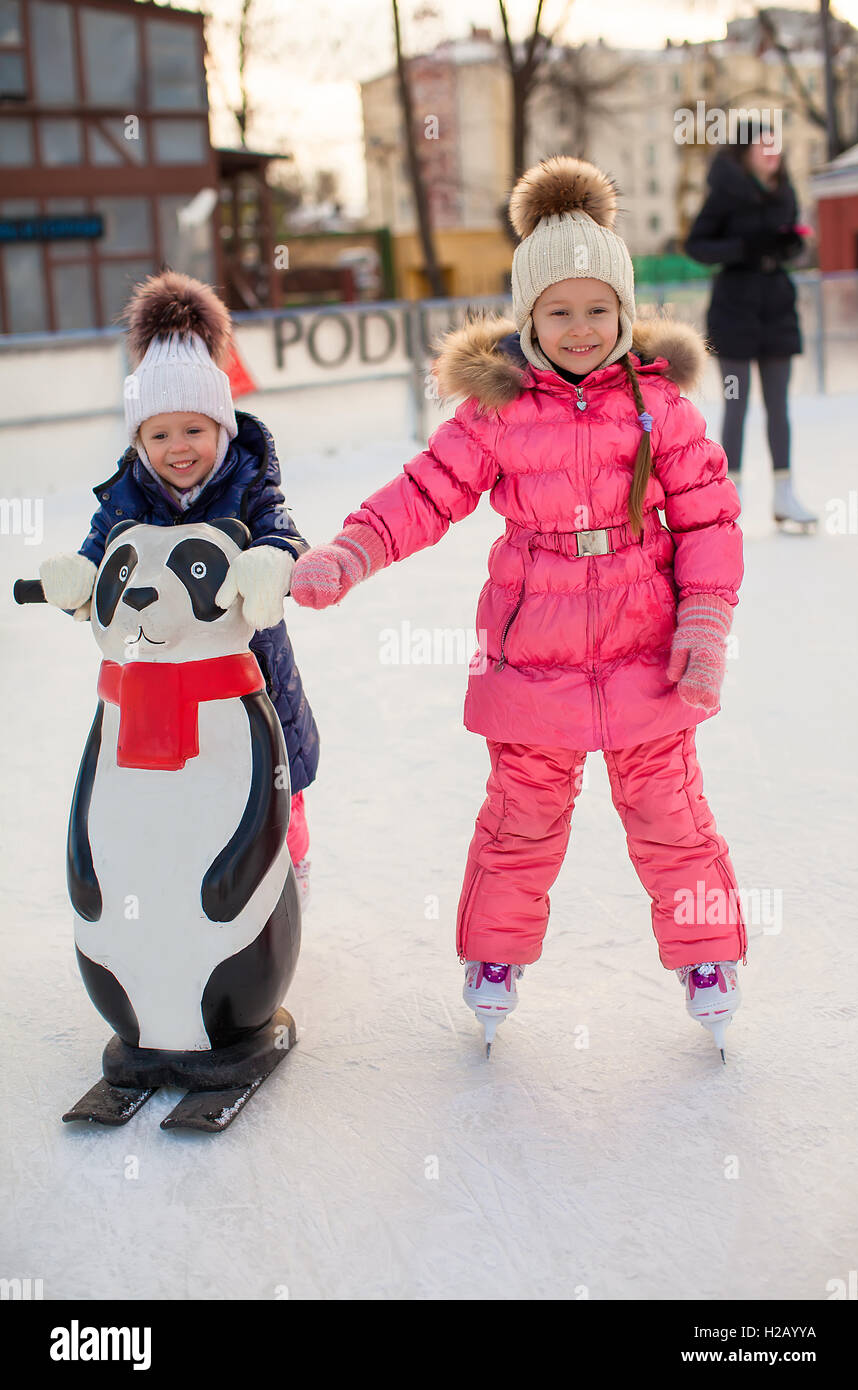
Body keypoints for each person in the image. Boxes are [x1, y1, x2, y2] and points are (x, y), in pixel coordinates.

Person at [291, 156, 747, 1060]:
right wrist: (351, 551)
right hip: (531, 647)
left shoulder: (661, 407)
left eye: (597, 309)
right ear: (529, 319)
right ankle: (493, 960)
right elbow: (426, 494)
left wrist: (704, 622)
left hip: (645, 644)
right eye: (558, 310)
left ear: (624, 311)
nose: (580, 329)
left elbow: (709, 519)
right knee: (522, 816)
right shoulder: (496, 414)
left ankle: (709, 960)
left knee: (669, 811)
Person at [38, 270, 319, 908]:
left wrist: (272, 558)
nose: (178, 448)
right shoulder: (126, 496)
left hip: (251, 668)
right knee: (177, 781)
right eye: (159, 434)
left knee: (272, 779)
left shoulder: (248, 484)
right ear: (140, 441)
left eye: (193, 429)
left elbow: (282, 531)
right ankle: (178, 889)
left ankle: (288, 868)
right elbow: (97, 559)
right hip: (156, 671)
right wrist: (77, 579)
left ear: (220, 426)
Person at [685, 117, 816, 530]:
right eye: (764, 146)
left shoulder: (785, 192)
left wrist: (791, 246)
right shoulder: (725, 193)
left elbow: (788, 240)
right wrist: (742, 248)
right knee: (736, 404)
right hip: (734, 313)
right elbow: (696, 245)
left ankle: (784, 493)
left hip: (776, 308)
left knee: (779, 406)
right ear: (745, 152)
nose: (772, 153)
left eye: (775, 146)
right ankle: (731, 494)